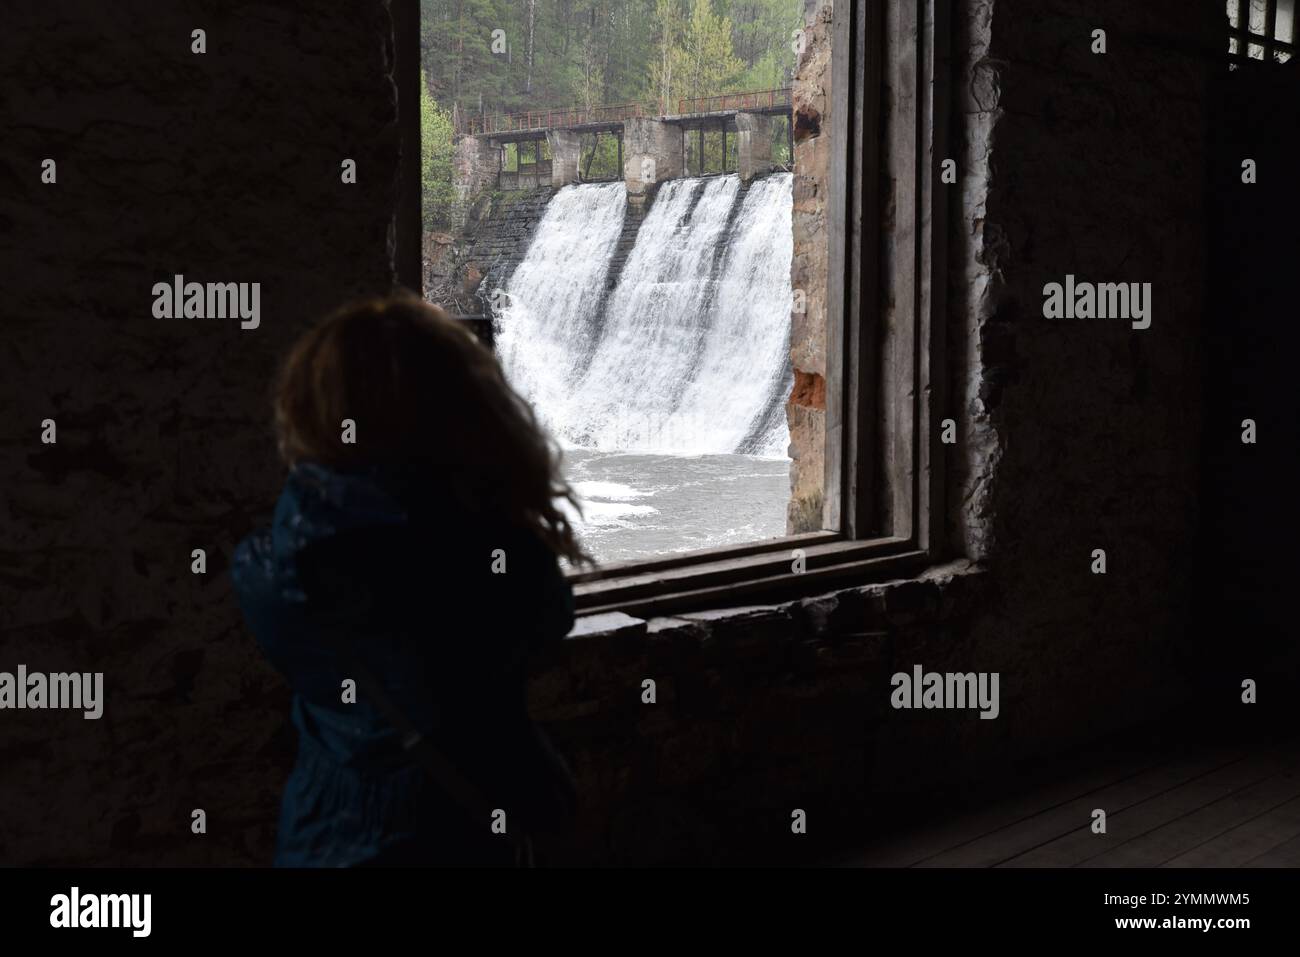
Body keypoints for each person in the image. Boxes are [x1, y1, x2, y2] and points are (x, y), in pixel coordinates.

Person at [230, 294, 586, 867]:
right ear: (467, 410)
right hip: (456, 831)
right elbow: (547, 623)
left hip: (323, 827)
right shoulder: (489, 555)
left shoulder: (268, 564)